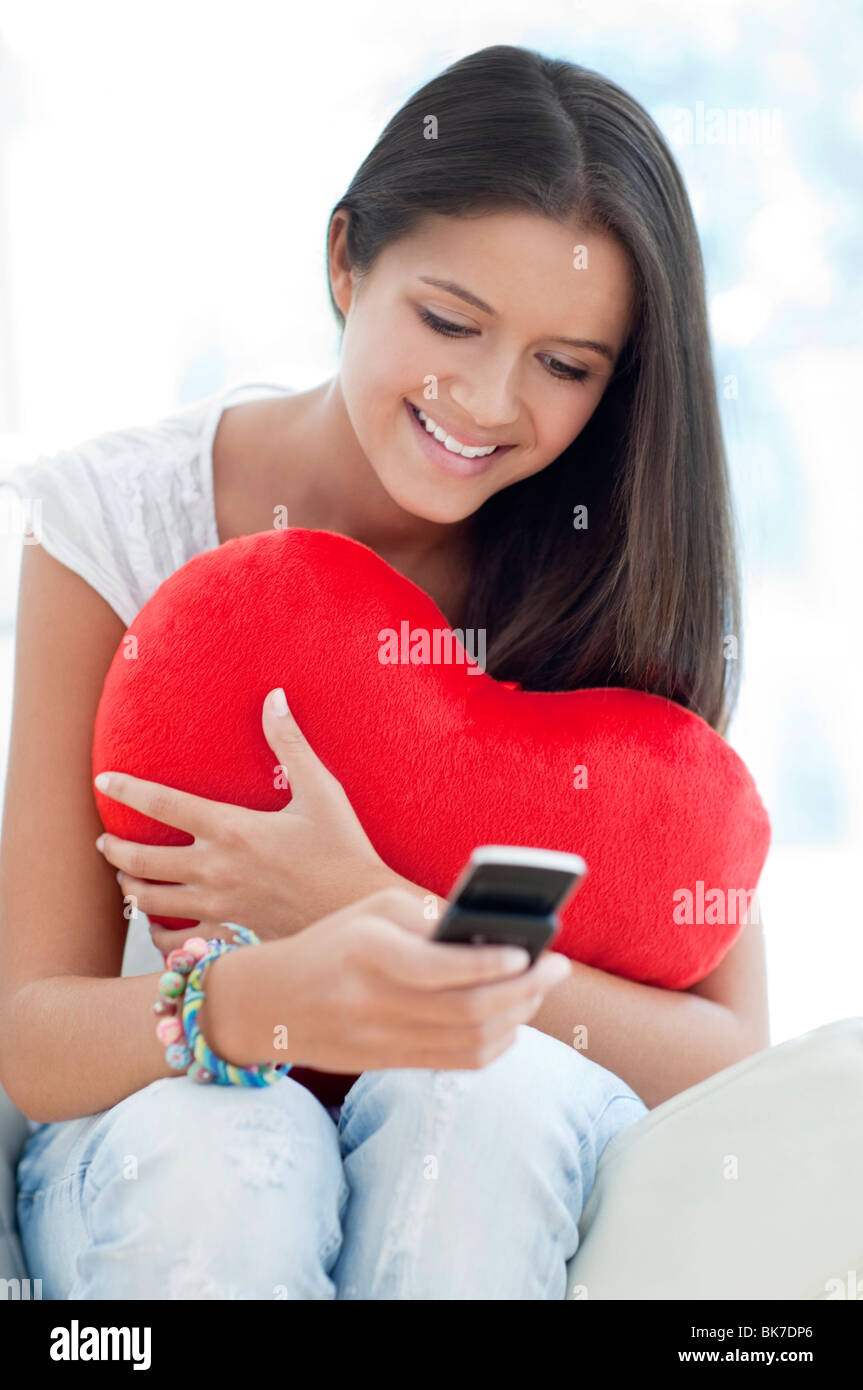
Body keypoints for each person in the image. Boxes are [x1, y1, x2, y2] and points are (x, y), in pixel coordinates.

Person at [0, 43, 768, 1300]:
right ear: (345, 259)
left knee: (486, 1097)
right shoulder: (115, 522)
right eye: (449, 322)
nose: (482, 398)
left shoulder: (616, 565)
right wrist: (252, 1001)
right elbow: (33, 1035)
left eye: (564, 365)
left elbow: (730, 1051)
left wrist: (381, 908)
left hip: (484, 1156)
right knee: (229, 1142)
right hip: (167, 1142)